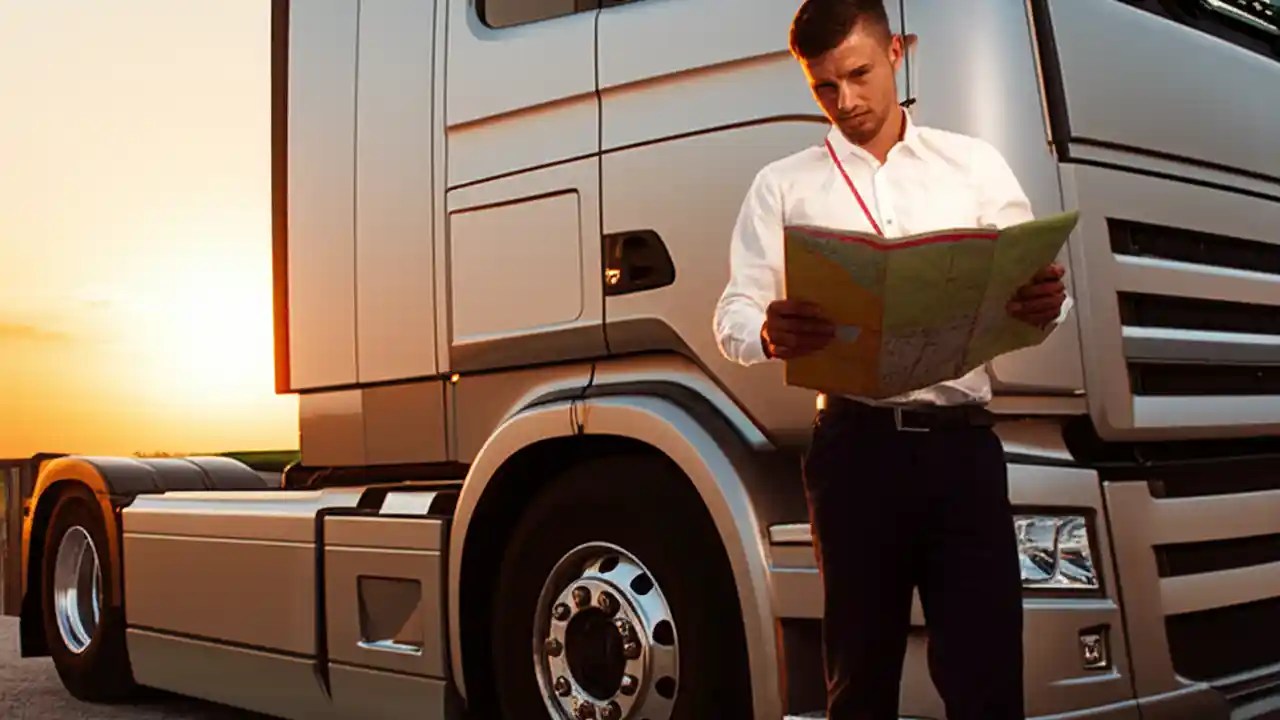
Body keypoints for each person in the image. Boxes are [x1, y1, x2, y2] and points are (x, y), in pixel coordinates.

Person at [713, 1, 1072, 719]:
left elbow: (1040, 290)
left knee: (988, 677)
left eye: (858, 74)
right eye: (823, 87)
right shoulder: (783, 185)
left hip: (963, 452)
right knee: (859, 675)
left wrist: (1047, 301)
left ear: (898, 52)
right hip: (854, 455)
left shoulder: (972, 165)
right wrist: (769, 332)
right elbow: (733, 315)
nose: (845, 102)